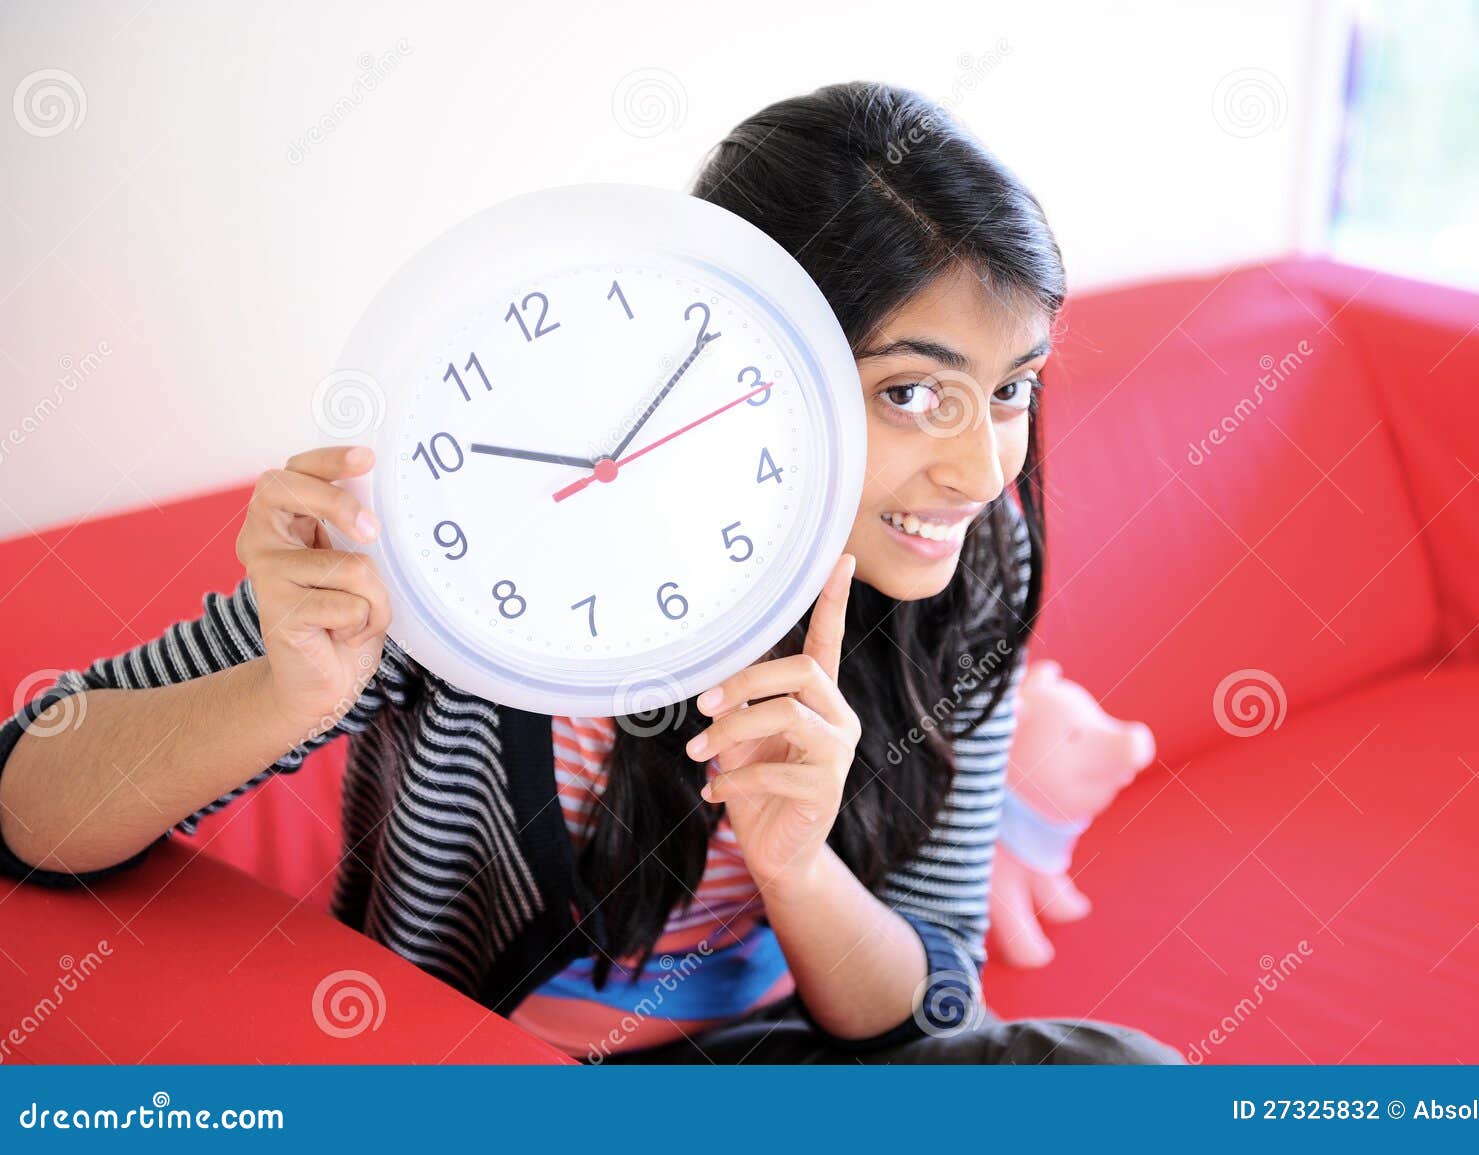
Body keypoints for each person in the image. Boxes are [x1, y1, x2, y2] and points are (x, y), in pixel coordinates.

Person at [0, 81, 1183, 1065]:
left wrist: (795, 865)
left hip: (792, 1064)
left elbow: (929, 1014)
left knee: (1134, 1081)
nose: (980, 466)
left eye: (1013, 387)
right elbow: (26, 813)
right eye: (912, 394)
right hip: (502, 1078)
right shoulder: (466, 562)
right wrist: (288, 692)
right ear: (743, 367)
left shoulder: (971, 555)